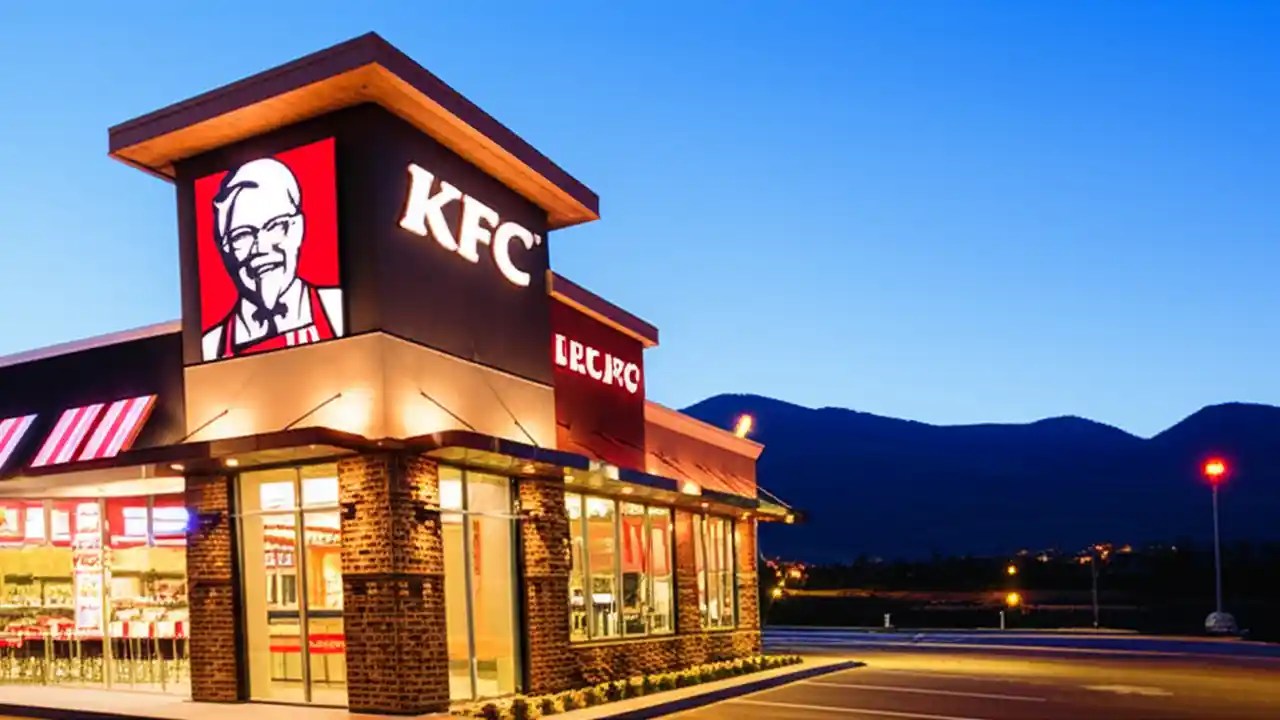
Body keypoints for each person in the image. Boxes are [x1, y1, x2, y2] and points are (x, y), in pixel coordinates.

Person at [201, 156, 343, 361]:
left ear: (298, 229)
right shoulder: (211, 347)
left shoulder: (337, 310)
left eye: (276, 226)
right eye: (242, 235)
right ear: (226, 249)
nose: (261, 247)